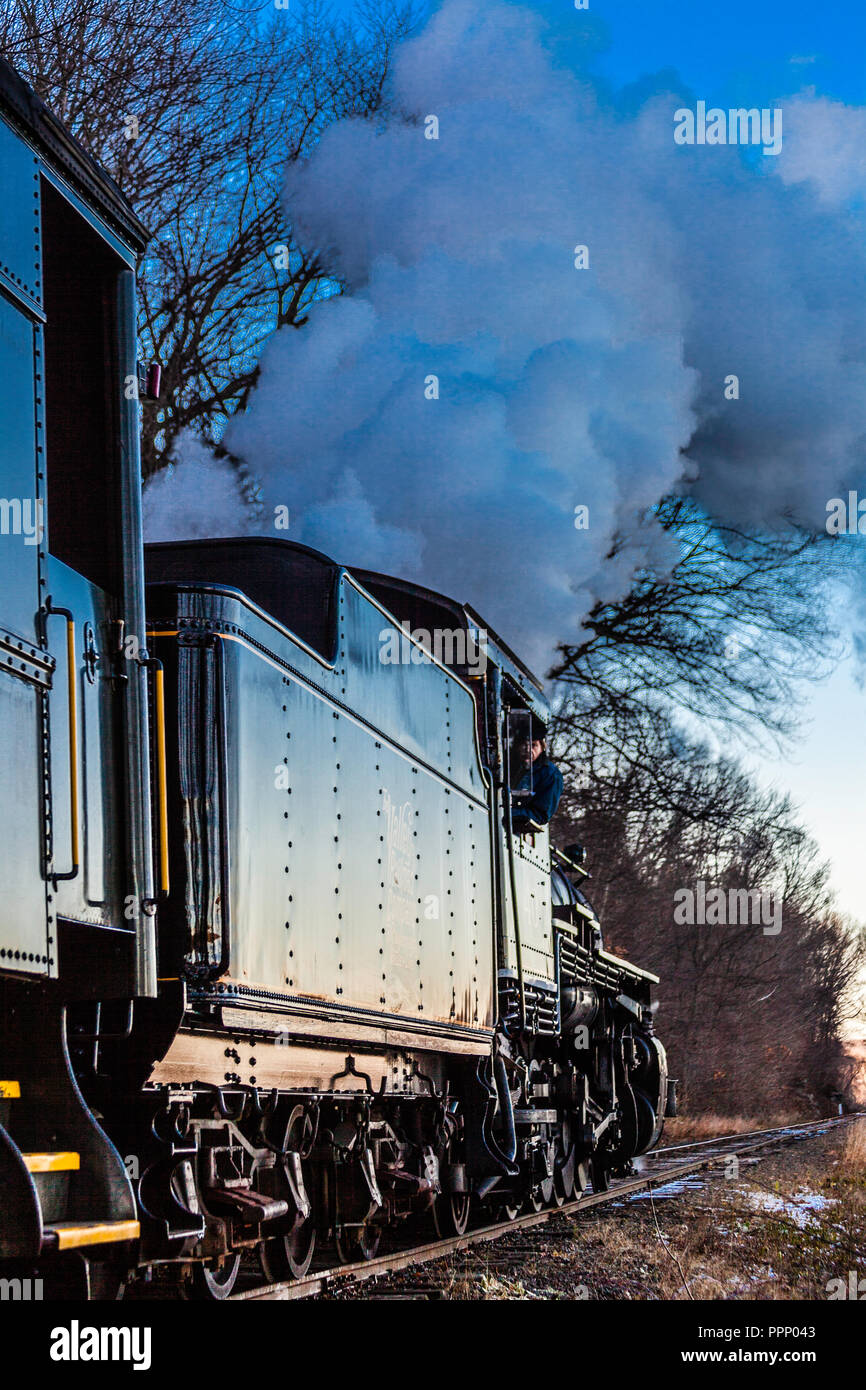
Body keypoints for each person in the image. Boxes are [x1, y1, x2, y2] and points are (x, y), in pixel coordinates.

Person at [510, 733, 563, 833]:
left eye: (534, 745)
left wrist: (508, 813)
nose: (528, 749)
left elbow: (540, 814)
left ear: (542, 747)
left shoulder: (551, 774)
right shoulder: (508, 766)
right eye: (523, 744)